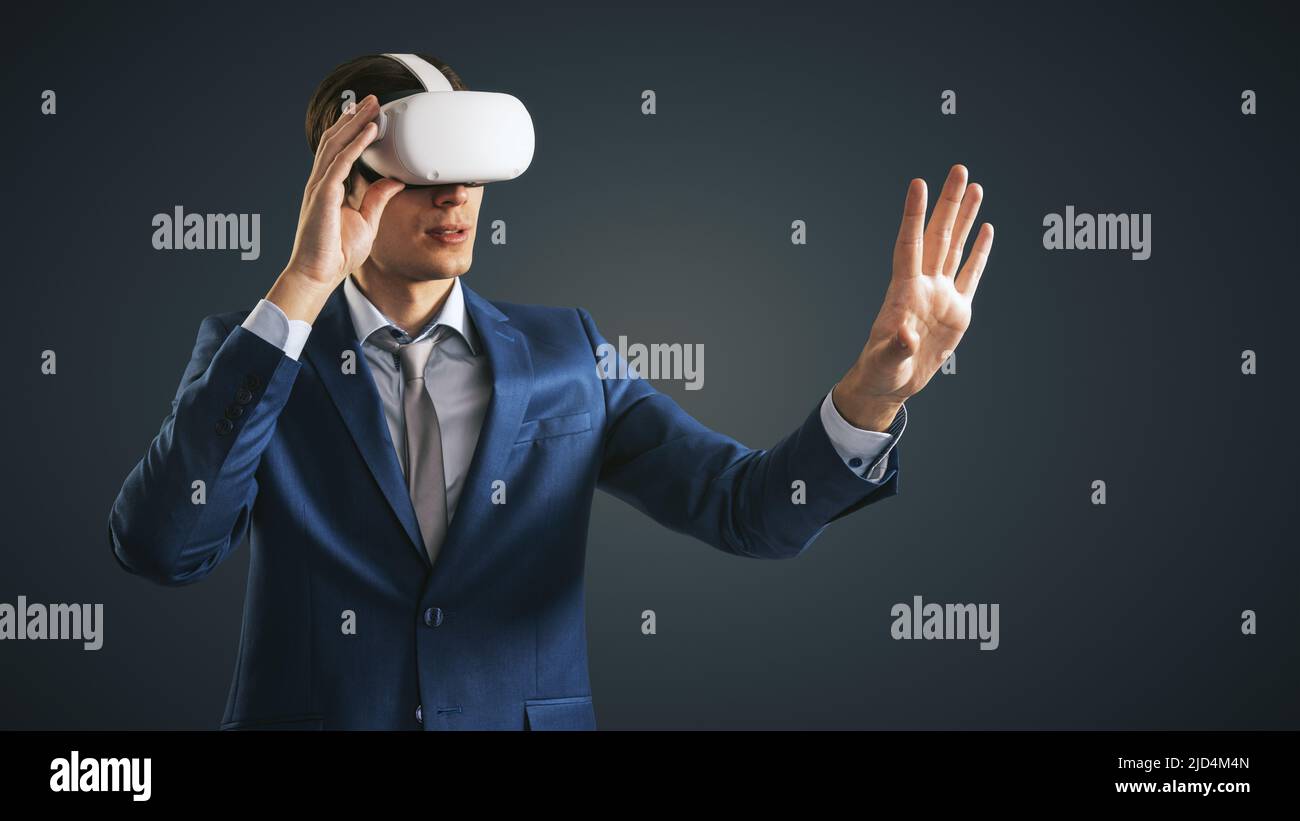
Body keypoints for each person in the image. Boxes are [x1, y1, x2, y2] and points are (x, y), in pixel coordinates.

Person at [108, 53, 994, 731]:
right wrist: (300, 288)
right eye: (420, 167)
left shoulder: (566, 353)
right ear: (342, 178)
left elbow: (747, 511)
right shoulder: (257, 353)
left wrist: (870, 393)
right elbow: (160, 547)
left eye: (469, 164)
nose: (456, 192)